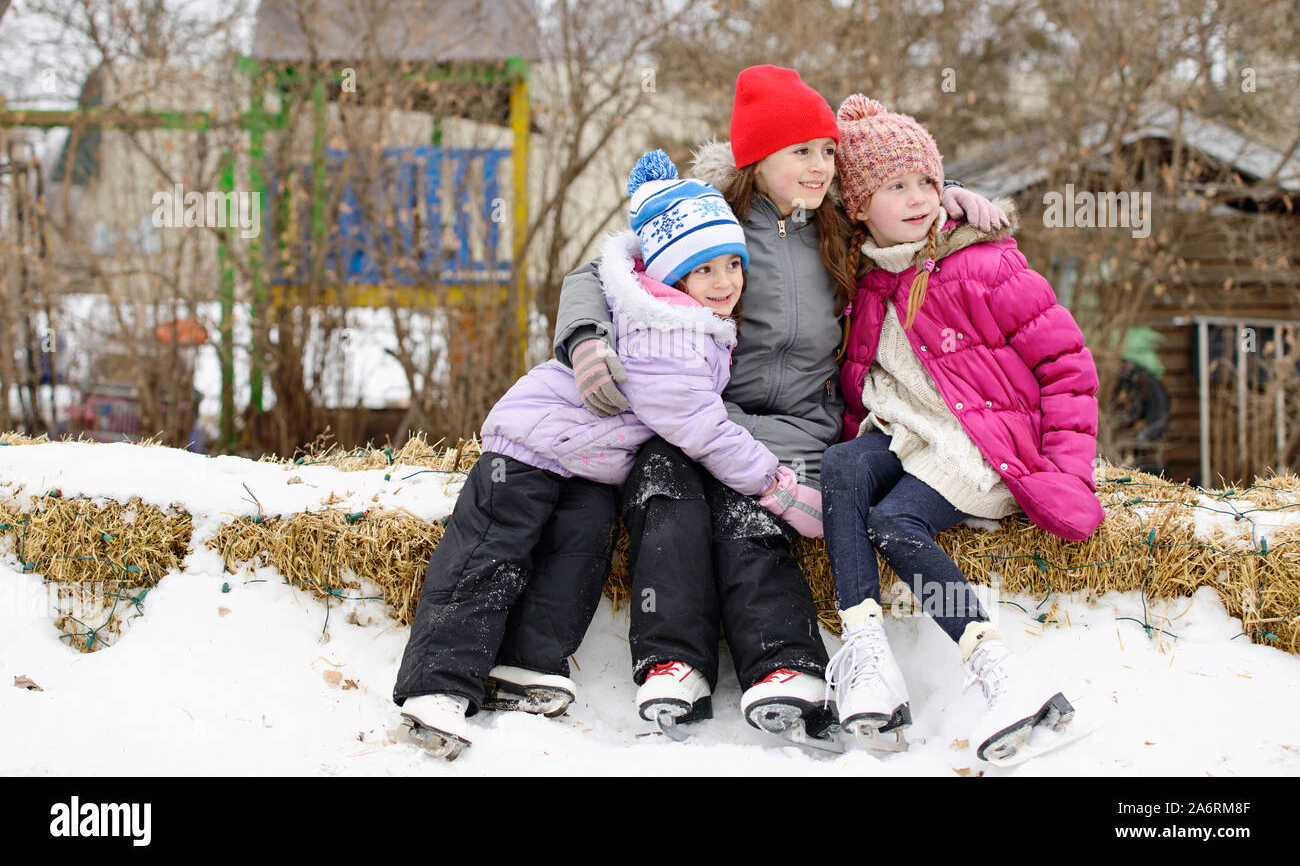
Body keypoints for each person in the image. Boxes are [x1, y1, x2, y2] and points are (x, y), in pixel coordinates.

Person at [552, 66, 1007, 746]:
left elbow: (900, 215)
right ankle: (673, 661)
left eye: (828, 150)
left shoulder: (840, 231)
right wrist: (586, 337)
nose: (821, 165)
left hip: (798, 433)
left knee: (748, 515)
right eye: (801, 150)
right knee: (661, 488)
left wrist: (948, 205)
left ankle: (785, 665)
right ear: (758, 159)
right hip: (703, 419)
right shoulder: (709, 216)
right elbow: (601, 268)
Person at [392, 150, 821, 759]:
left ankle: (526, 664)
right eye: (705, 272)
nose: (726, 282)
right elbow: (703, 431)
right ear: (671, 277)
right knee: (489, 551)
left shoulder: (686, 314)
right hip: (532, 449)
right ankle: (437, 684)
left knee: (579, 555)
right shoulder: (667, 332)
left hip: (590, 467)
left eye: (733, 264)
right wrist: (777, 486)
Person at [820, 94, 1105, 762]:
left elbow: (1066, 364)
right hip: (902, 437)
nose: (918, 197)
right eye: (895, 185)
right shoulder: (862, 278)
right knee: (840, 467)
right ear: (859, 205)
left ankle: (1000, 670)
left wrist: (1065, 468)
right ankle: (868, 658)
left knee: (893, 523)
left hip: (974, 446)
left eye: (927, 180)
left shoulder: (984, 261)